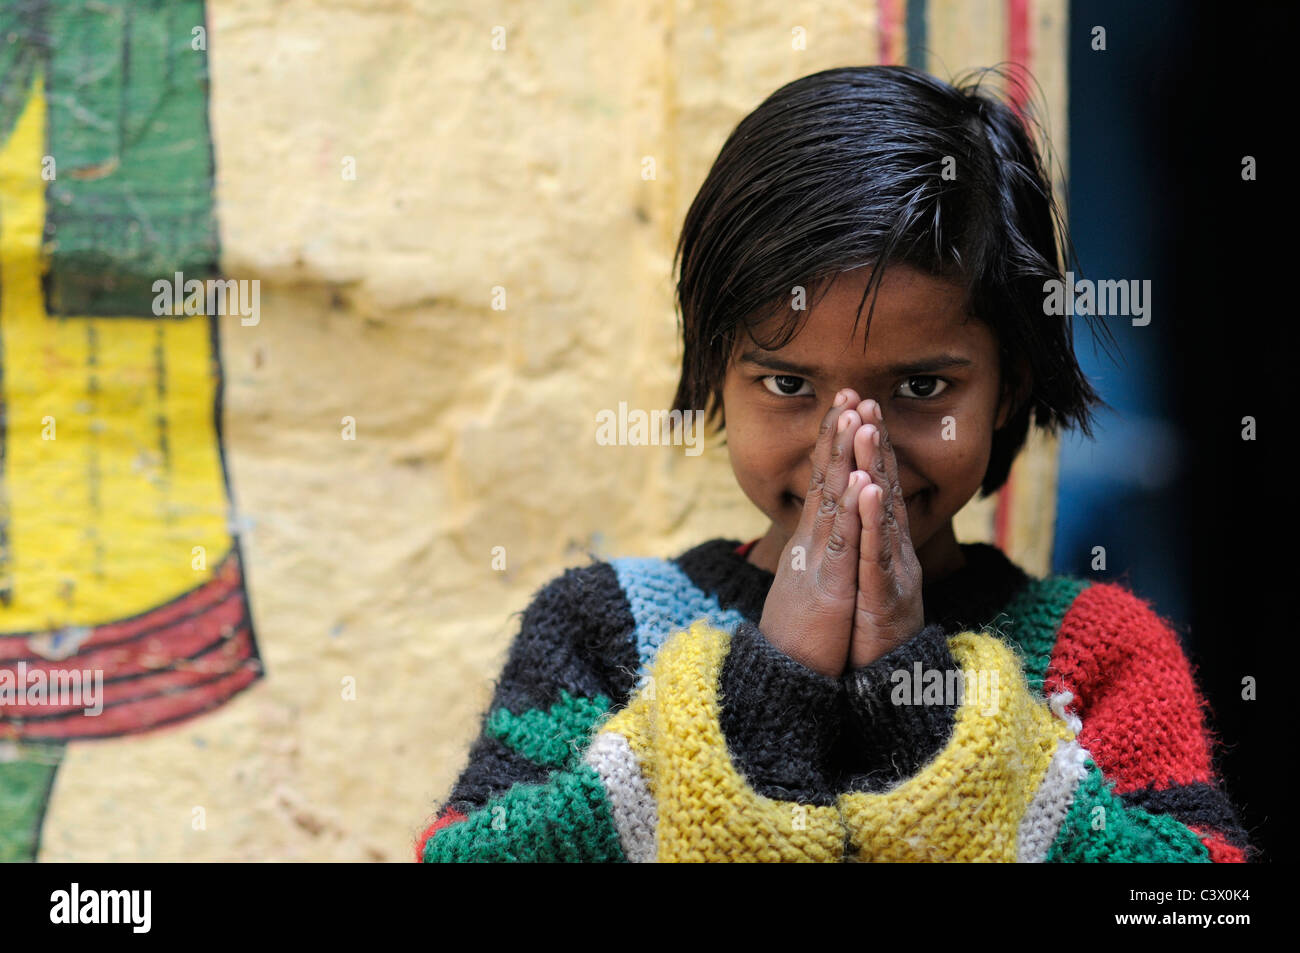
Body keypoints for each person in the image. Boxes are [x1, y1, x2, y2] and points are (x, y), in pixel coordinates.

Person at [414, 64, 1252, 862]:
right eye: (787, 382)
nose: (852, 450)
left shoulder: (1094, 655)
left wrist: (921, 699)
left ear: (1006, 389)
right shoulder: (603, 632)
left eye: (922, 385)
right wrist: (763, 686)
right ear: (713, 370)